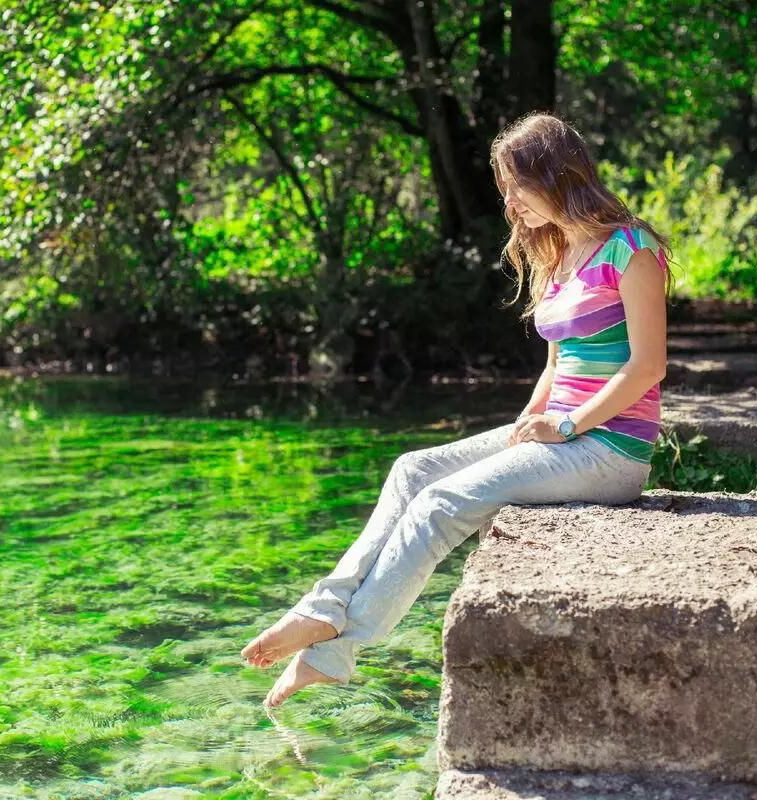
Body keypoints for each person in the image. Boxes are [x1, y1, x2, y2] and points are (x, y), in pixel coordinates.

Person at [241, 111, 676, 708]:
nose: (511, 205)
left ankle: (333, 648)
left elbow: (647, 367)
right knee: (412, 470)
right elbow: (556, 367)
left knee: (439, 504)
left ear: (554, 175)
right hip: (561, 436)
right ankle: (321, 612)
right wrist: (527, 426)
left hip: (609, 450)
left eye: (515, 188)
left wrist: (569, 425)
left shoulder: (632, 249)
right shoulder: (559, 258)